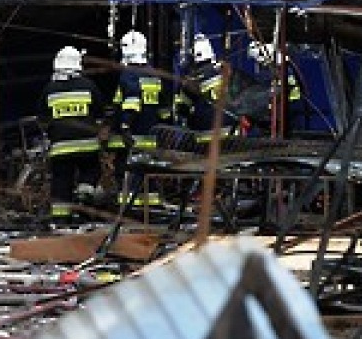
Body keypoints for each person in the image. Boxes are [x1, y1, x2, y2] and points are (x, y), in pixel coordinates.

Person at [38, 46, 103, 222]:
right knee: (90, 171)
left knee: (61, 180)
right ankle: (83, 199)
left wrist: (51, 132)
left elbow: (42, 119)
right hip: (87, 145)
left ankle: (60, 218)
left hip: (60, 147)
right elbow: (99, 113)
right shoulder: (89, 86)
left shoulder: (50, 89)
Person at [110, 29, 171, 207]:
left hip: (133, 134)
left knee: (129, 170)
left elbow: (131, 101)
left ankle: (130, 208)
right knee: (149, 169)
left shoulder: (129, 74)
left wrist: (124, 126)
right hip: (152, 134)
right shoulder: (154, 74)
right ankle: (150, 206)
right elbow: (164, 108)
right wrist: (166, 128)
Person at [176, 33, 232, 145]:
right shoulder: (225, 73)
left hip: (204, 137)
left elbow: (182, 108)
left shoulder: (192, 80)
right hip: (230, 135)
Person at [248, 40, 304, 135]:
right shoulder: (268, 67)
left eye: (259, 56)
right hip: (281, 101)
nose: (259, 60)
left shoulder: (281, 62)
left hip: (286, 100)